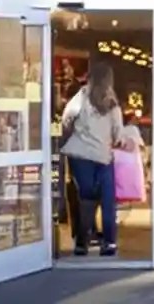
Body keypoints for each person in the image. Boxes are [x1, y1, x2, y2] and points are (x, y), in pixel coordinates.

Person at [60, 58, 135, 256]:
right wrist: (126, 142)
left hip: (79, 156)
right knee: (108, 200)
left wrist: (73, 133)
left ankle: (82, 243)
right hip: (103, 156)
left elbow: (66, 118)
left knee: (86, 199)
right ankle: (109, 243)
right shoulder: (112, 104)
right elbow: (118, 136)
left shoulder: (81, 97)